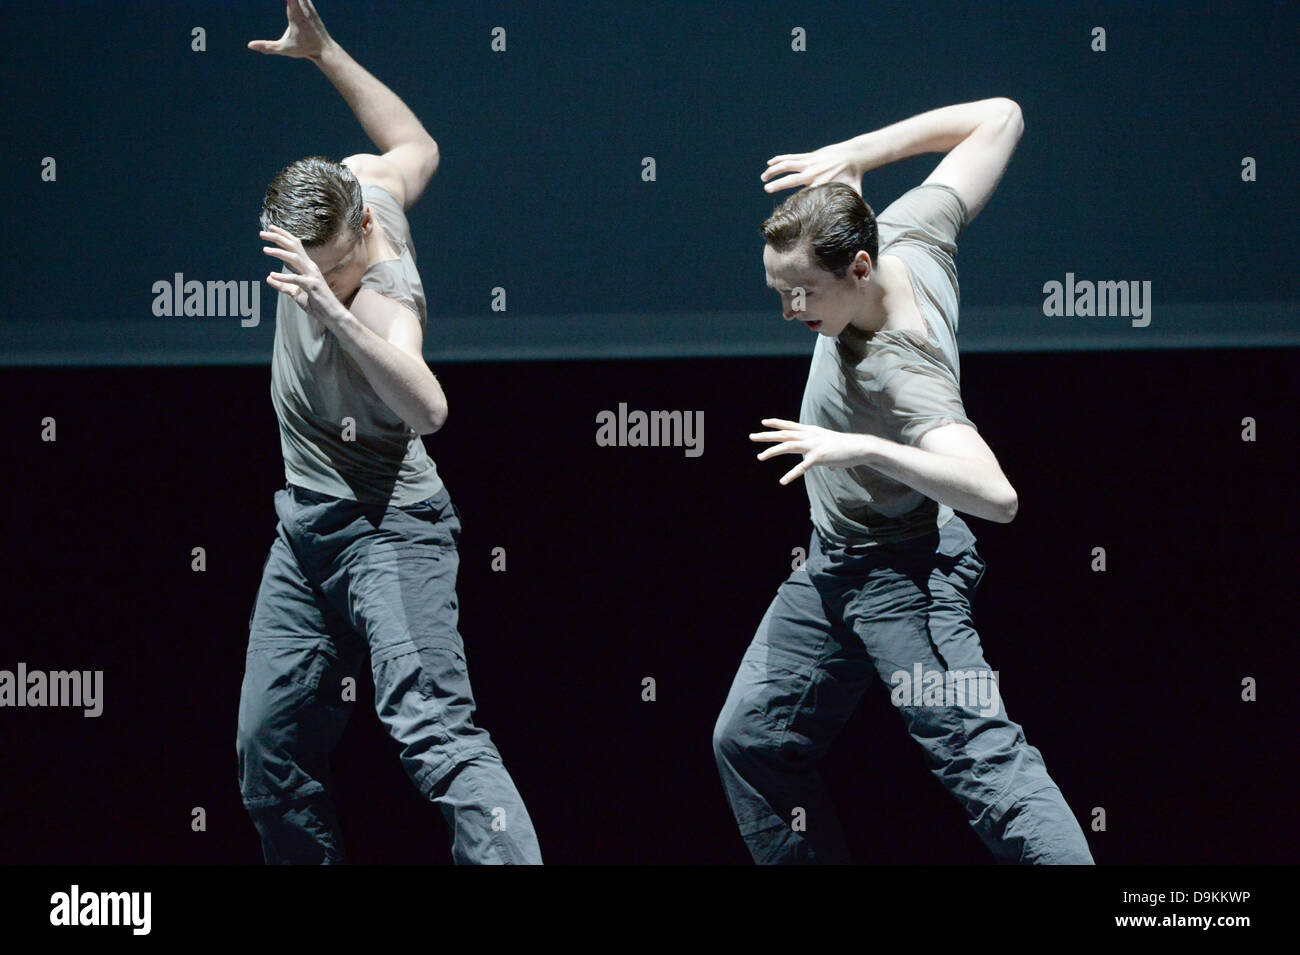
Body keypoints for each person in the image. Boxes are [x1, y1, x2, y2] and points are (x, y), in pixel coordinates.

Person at [712, 98, 1094, 864]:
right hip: (834, 564)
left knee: (983, 763)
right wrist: (859, 148)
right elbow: (1004, 118)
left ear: (857, 268)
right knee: (750, 737)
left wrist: (864, 445)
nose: (790, 310)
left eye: (803, 293)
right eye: (778, 291)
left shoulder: (901, 367)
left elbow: (998, 496)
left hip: (907, 571)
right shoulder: (911, 228)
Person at [236, 0, 542, 864]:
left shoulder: (382, 287)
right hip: (305, 527)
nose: (309, 284)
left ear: (360, 233)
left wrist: (335, 306)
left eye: (325, 267)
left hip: (389, 530)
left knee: (433, 731)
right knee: (267, 749)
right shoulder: (359, 184)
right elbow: (417, 147)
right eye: (297, 268)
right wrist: (327, 53)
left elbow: (430, 408)